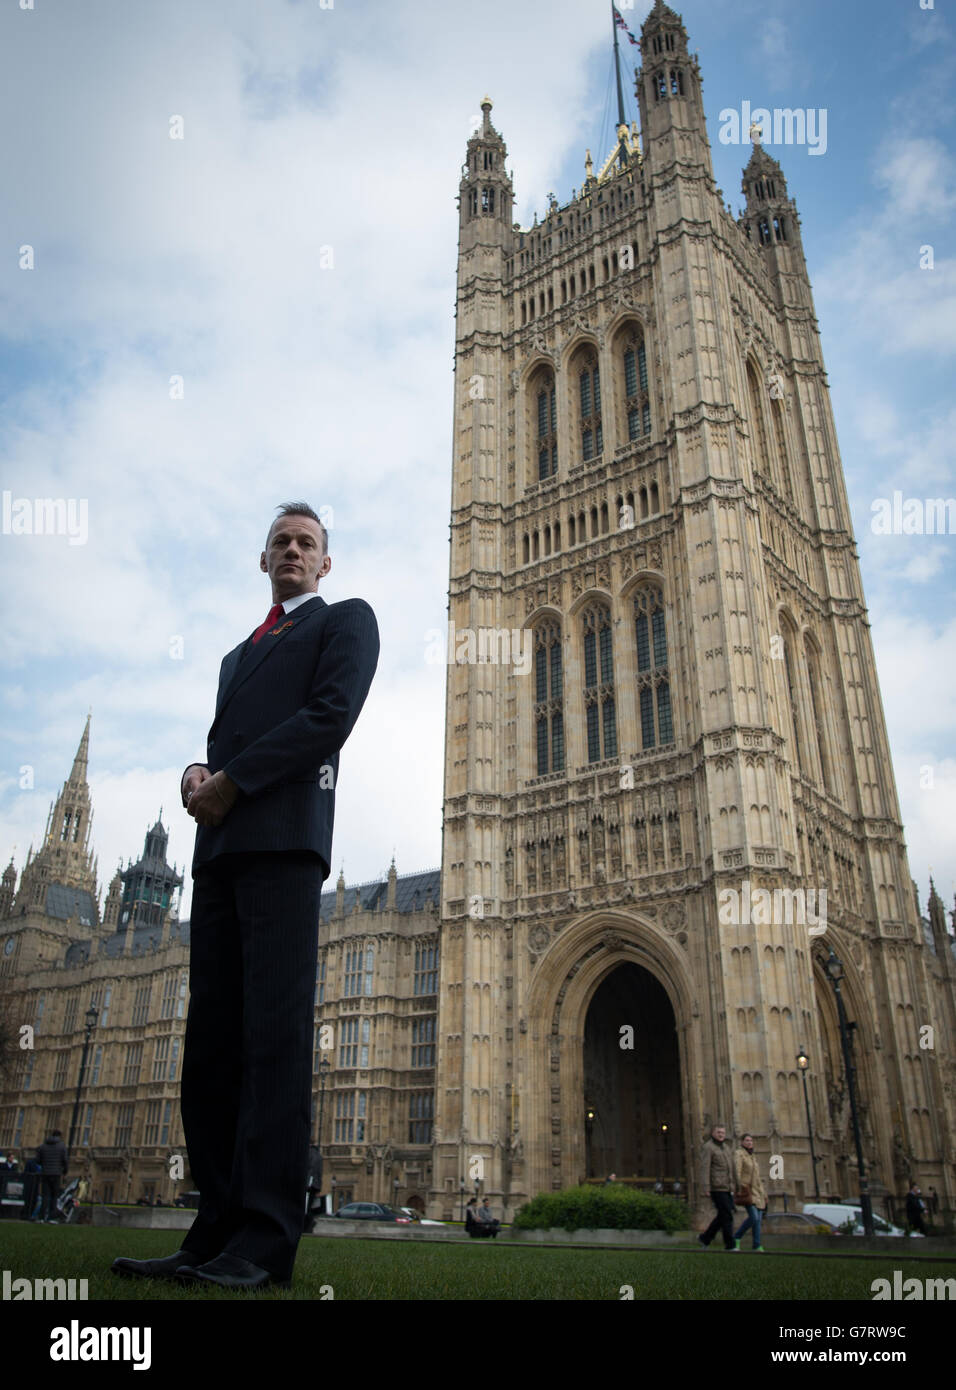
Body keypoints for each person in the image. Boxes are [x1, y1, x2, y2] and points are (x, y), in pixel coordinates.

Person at [111, 502, 379, 1292]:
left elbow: (329, 718)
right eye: (280, 543)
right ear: (263, 561)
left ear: (323, 564)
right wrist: (196, 776)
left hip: (283, 847)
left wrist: (233, 780)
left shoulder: (344, 622)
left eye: (306, 543)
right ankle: (214, 1229)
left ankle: (264, 1241)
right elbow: (220, 747)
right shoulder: (236, 657)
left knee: (273, 1042)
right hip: (218, 854)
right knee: (212, 1050)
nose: (293, 551)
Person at [697, 1123, 738, 1250]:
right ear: (713, 1133)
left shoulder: (726, 1147)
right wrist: (706, 1186)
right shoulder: (708, 1147)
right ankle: (730, 1245)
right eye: (718, 1132)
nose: (721, 1135)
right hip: (716, 1186)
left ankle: (705, 1238)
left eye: (723, 1133)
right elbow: (705, 1168)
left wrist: (736, 1184)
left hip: (727, 1186)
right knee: (727, 1214)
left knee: (724, 1214)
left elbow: (731, 1167)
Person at [733, 1133, 767, 1251]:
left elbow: (758, 1178)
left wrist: (764, 1194)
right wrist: (739, 1187)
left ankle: (757, 1244)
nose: (749, 1142)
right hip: (747, 1191)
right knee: (754, 1218)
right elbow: (737, 1171)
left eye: (751, 1141)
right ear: (742, 1142)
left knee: (758, 1220)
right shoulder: (739, 1154)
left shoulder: (753, 1157)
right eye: (747, 1140)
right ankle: (736, 1237)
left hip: (758, 1192)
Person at [36, 1130, 69, 1223]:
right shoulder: (62, 1146)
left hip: (45, 1173)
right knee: (54, 1196)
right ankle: (51, 1218)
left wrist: (45, 1165)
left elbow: (38, 1160)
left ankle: (41, 1217)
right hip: (56, 1174)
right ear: (59, 1136)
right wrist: (65, 1171)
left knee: (45, 1196)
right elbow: (65, 1160)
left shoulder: (43, 1146)